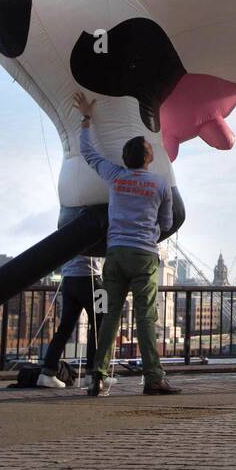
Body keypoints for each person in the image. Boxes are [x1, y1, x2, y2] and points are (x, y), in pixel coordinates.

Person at [73, 91, 180, 397]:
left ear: (125, 159)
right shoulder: (160, 184)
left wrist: (86, 118)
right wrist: (150, 234)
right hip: (144, 254)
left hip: (115, 254)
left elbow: (88, 153)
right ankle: (153, 378)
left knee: (111, 315)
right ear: (149, 158)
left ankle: (98, 376)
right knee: (146, 317)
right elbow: (168, 223)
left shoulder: (115, 177)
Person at [36, 251, 103, 389]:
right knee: (101, 325)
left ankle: (47, 373)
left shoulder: (64, 228)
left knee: (65, 327)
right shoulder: (93, 228)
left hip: (68, 280)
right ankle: (94, 375)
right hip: (92, 278)